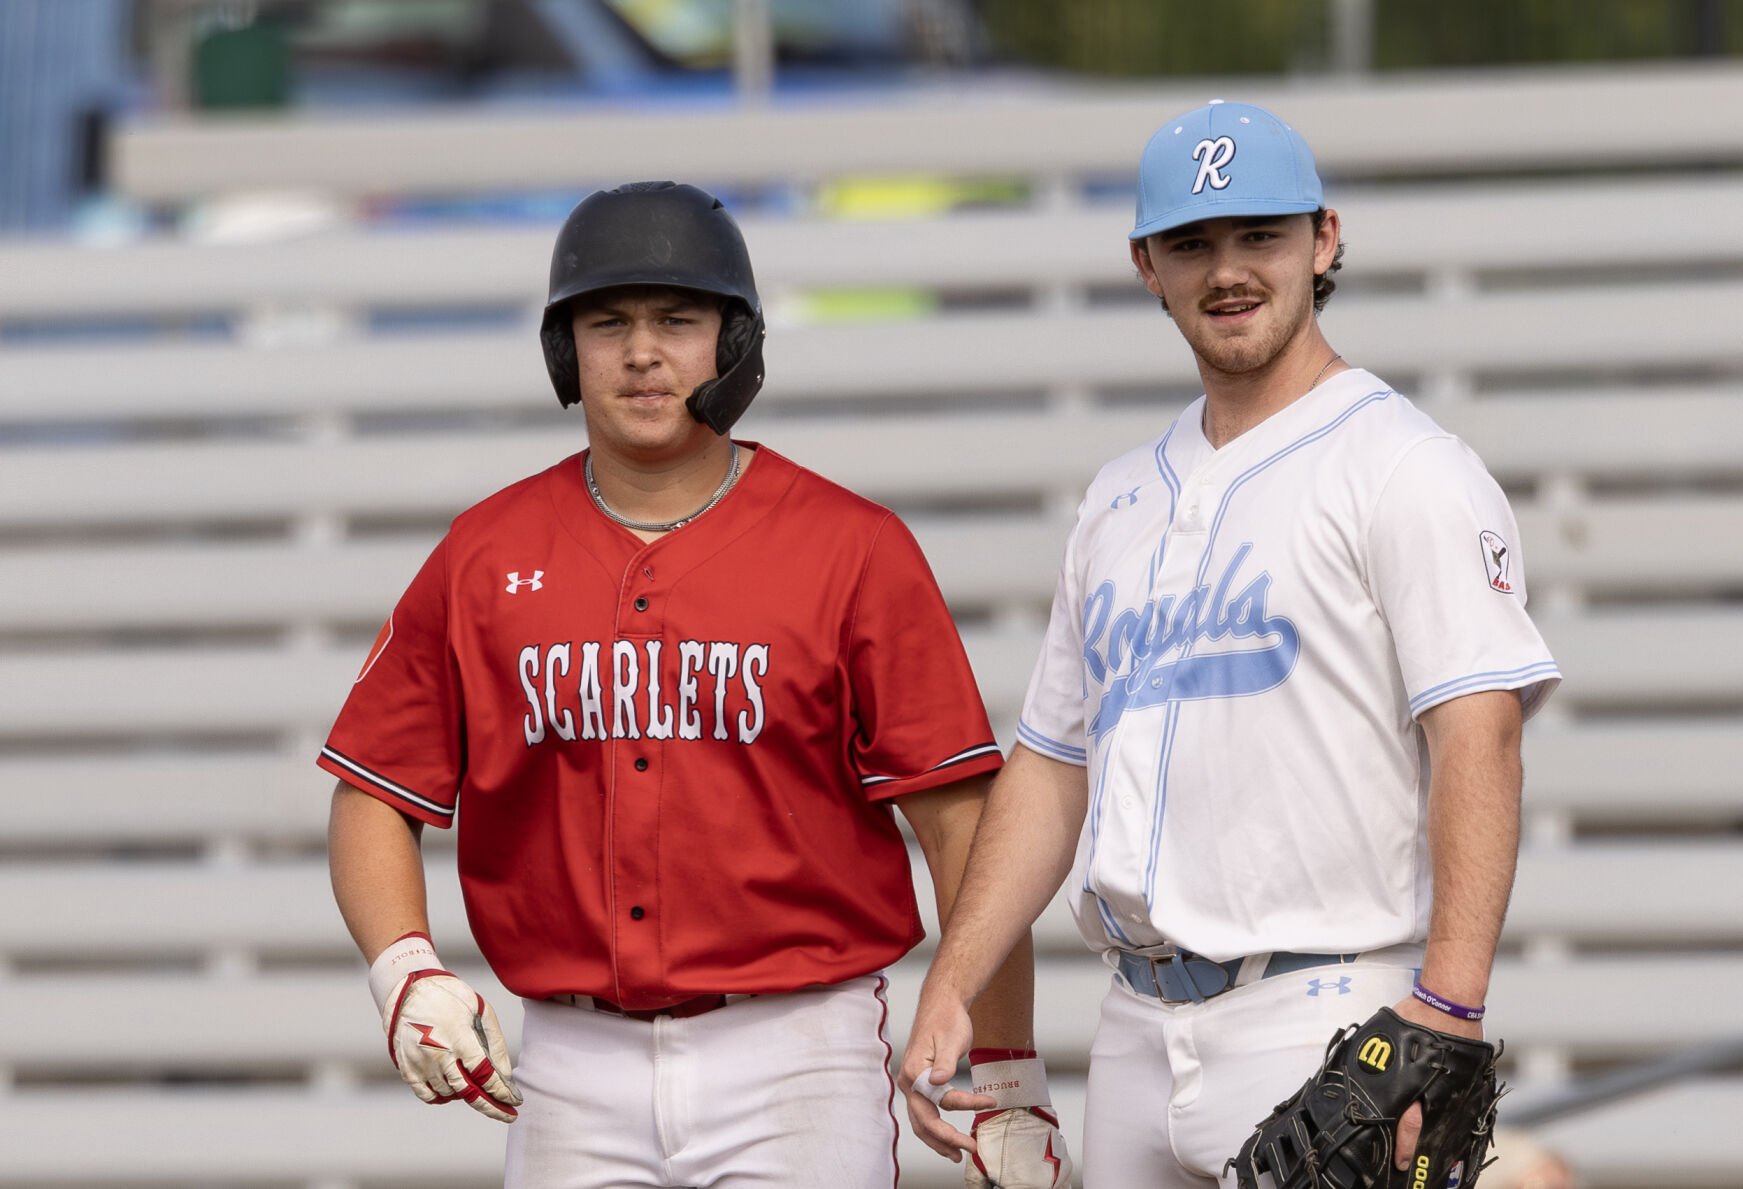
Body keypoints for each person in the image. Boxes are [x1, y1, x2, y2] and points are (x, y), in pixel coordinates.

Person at [320, 180, 1071, 1189]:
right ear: (564, 349)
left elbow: (964, 830)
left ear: (735, 342)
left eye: (677, 319)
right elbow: (373, 786)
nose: (641, 351)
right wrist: (402, 968)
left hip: (797, 1049)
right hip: (570, 1064)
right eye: (607, 321)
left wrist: (1008, 1073)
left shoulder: (851, 548)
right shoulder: (485, 555)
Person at [899, 100, 1561, 1187]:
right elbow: (1054, 768)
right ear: (1145, 265)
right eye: (1193, 242)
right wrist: (953, 979)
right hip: (1133, 1028)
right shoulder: (1117, 501)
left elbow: (1478, 737)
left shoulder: (1404, 466)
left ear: (1325, 238)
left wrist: (1447, 1008)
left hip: (1326, 1013)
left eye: (1260, 233)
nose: (1229, 268)